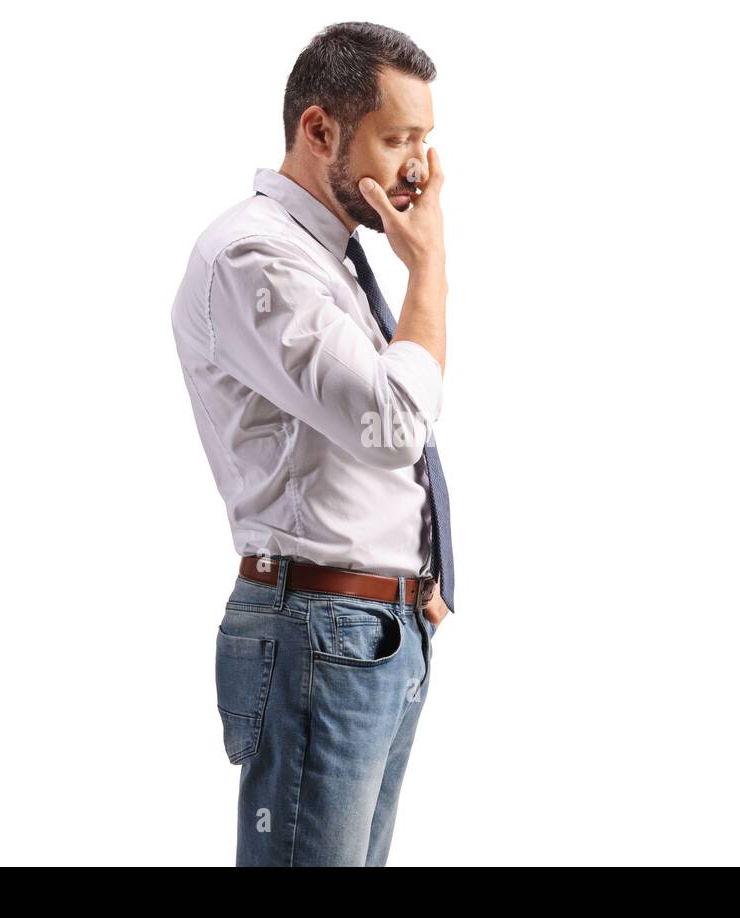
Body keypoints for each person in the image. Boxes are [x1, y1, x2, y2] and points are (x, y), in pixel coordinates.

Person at [170, 21, 455, 866]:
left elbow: (358, 450)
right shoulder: (257, 257)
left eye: (427, 140)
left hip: (376, 630)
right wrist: (431, 267)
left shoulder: (328, 256)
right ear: (319, 130)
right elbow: (393, 421)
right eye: (397, 138)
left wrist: (416, 576)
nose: (418, 167)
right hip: (320, 632)